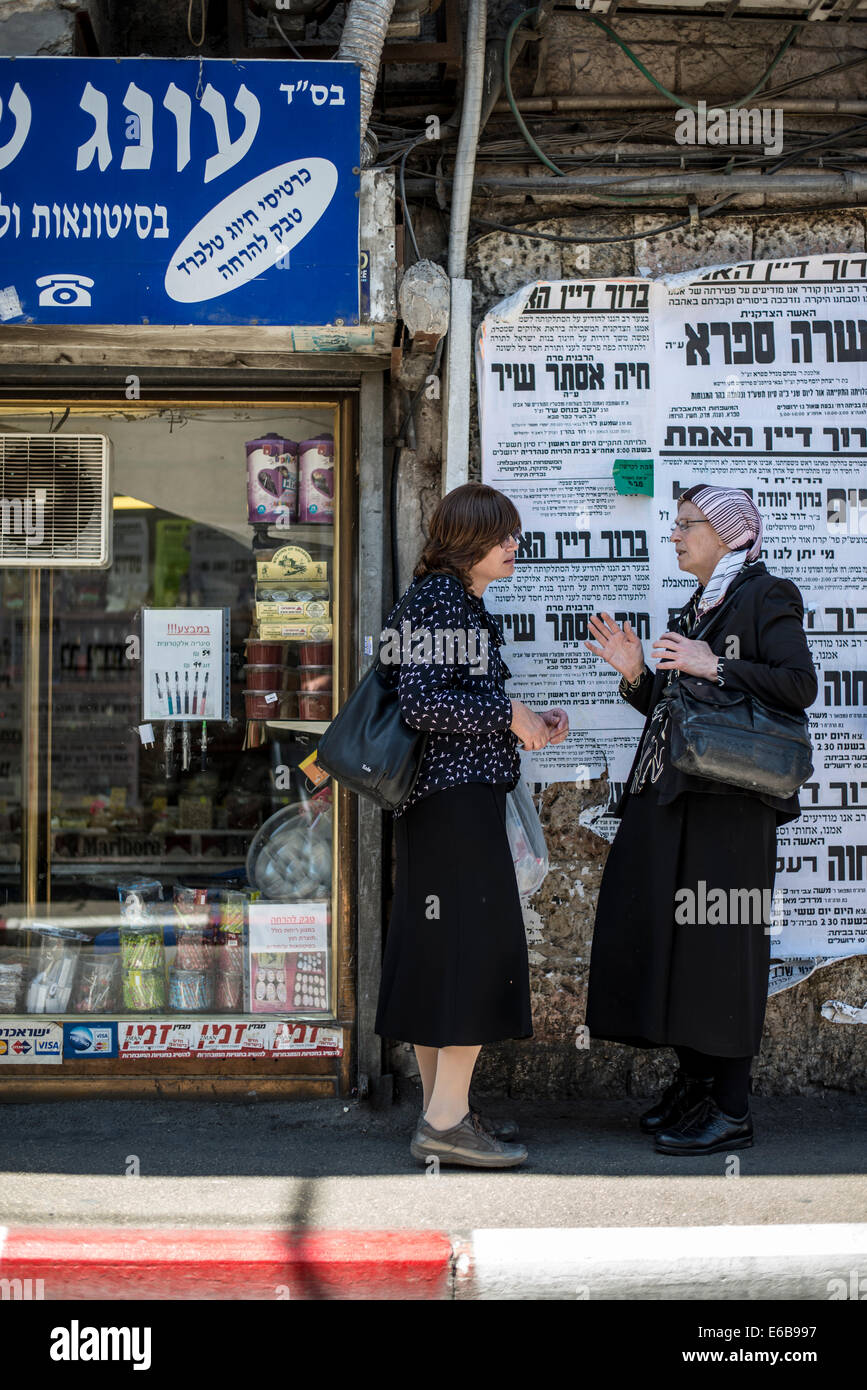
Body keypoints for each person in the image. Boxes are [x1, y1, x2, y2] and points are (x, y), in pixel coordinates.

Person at [584, 485, 817, 1155]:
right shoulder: (703, 602)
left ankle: (731, 1106)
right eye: (676, 523)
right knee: (681, 947)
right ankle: (696, 1087)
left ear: (729, 532)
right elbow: (693, 719)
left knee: (722, 948)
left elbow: (798, 685)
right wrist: (636, 675)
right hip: (684, 799)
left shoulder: (765, 593)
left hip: (732, 812)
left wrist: (711, 661)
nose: (675, 534)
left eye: (688, 524)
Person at [374, 482, 569, 1168]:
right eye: (502, 535)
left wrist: (525, 723)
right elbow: (423, 703)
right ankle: (445, 1121)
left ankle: (441, 1113)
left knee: (443, 960)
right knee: (473, 957)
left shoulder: (450, 604)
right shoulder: (439, 602)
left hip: (445, 805)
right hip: (452, 809)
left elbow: (451, 700)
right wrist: (506, 716)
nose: (513, 546)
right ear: (465, 542)